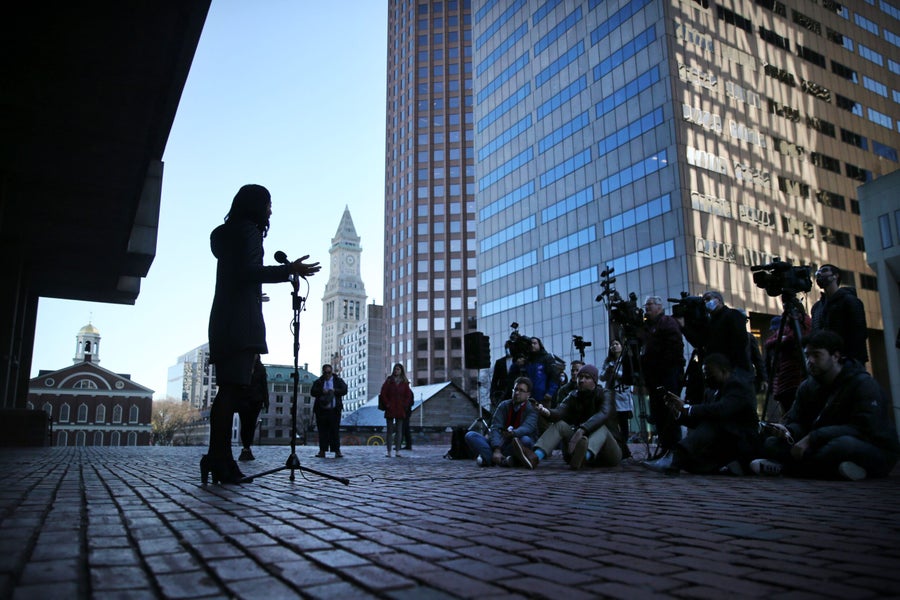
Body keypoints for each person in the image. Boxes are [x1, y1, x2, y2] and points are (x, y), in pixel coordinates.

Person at [203, 184, 320, 485]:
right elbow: (250, 271)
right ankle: (221, 460)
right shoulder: (250, 232)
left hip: (224, 319)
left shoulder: (227, 234)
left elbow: (238, 275)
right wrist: (289, 270)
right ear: (257, 206)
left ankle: (217, 457)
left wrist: (255, 293)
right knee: (231, 393)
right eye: (268, 204)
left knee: (226, 393)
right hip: (242, 325)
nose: (271, 210)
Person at [752, 331, 899, 481]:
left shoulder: (862, 384)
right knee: (772, 443)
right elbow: (798, 420)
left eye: (816, 355)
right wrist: (786, 430)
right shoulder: (808, 386)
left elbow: (863, 428)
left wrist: (813, 438)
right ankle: (836, 469)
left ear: (835, 356)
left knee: (840, 446)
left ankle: (787, 468)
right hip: (820, 442)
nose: (810, 361)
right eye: (807, 355)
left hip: (870, 447)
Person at [643, 353, 759, 476]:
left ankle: (676, 457)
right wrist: (679, 411)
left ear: (724, 371)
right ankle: (681, 458)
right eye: (704, 374)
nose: (706, 378)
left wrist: (688, 408)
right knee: (692, 463)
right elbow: (702, 419)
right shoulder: (711, 391)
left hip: (741, 440)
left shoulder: (738, 386)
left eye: (710, 374)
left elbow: (721, 410)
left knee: (713, 423)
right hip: (721, 441)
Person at [511, 364, 621, 471]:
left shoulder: (605, 394)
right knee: (560, 425)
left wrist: (581, 430)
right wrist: (543, 410)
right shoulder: (573, 396)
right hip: (580, 444)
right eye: (580, 377)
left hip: (609, 452)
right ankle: (534, 457)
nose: (582, 380)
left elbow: (603, 414)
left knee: (602, 428)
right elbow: (559, 411)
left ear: (595, 381)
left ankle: (584, 458)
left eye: (587, 378)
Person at [638, 296, 684, 456]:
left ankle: (673, 448)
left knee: (669, 411)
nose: (647, 308)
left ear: (659, 306)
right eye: (646, 305)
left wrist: (663, 365)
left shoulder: (667, 322)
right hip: (653, 376)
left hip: (668, 374)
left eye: (650, 305)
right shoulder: (646, 327)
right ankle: (665, 445)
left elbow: (675, 347)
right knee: (658, 412)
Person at [465, 376, 539, 467]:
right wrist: (497, 449)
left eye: (521, 390)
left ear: (528, 394)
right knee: (470, 435)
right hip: (500, 442)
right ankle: (502, 461)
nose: (517, 393)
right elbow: (495, 427)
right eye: (515, 389)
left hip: (516, 444)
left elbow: (527, 427)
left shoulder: (532, 408)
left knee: (526, 440)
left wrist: (512, 433)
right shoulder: (504, 405)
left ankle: (489, 459)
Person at [810, 264, 869, 364]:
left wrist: (850, 359)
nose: (819, 274)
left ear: (835, 276)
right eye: (818, 272)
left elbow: (859, 333)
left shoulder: (850, 301)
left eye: (824, 270)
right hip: (825, 362)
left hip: (849, 361)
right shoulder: (817, 307)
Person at [764, 310, 811, 415]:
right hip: (782, 381)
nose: (775, 332)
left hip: (793, 379)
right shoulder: (785, 331)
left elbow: (791, 339)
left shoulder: (801, 324)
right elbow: (769, 344)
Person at [600, 341, 634, 460]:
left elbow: (629, 377)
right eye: (612, 345)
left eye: (616, 344)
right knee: (611, 422)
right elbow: (601, 376)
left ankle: (624, 449)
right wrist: (608, 371)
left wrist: (616, 373)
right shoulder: (608, 361)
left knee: (623, 423)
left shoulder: (626, 360)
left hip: (622, 394)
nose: (614, 346)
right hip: (610, 394)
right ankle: (617, 448)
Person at [311, 364, 348, 458]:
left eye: (329, 372)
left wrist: (334, 391)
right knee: (322, 431)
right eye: (325, 372)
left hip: (334, 410)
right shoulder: (319, 381)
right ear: (323, 373)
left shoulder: (338, 380)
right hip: (321, 410)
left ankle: (337, 451)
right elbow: (312, 392)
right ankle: (322, 450)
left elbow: (344, 390)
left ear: (331, 372)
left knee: (335, 431)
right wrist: (321, 391)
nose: (327, 374)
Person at [509, 337, 560, 405]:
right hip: (528, 398)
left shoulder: (547, 358)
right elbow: (512, 372)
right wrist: (517, 364)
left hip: (544, 397)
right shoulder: (527, 360)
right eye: (531, 344)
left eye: (535, 343)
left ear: (540, 345)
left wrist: (550, 392)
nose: (532, 345)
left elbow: (554, 376)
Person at [237, 356, 269, 462]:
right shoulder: (242, 366)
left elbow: (264, 385)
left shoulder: (261, 368)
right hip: (243, 399)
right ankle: (245, 447)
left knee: (251, 424)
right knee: (244, 423)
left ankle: (247, 447)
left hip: (256, 400)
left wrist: (266, 401)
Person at [379, 363, 413, 458]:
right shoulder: (389, 381)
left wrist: (404, 405)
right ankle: (389, 451)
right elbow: (383, 393)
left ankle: (397, 450)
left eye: (398, 369)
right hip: (390, 408)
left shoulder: (405, 382)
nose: (396, 371)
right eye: (395, 369)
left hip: (400, 408)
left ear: (401, 370)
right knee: (389, 430)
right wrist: (387, 404)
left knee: (399, 430)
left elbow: (408, 395)